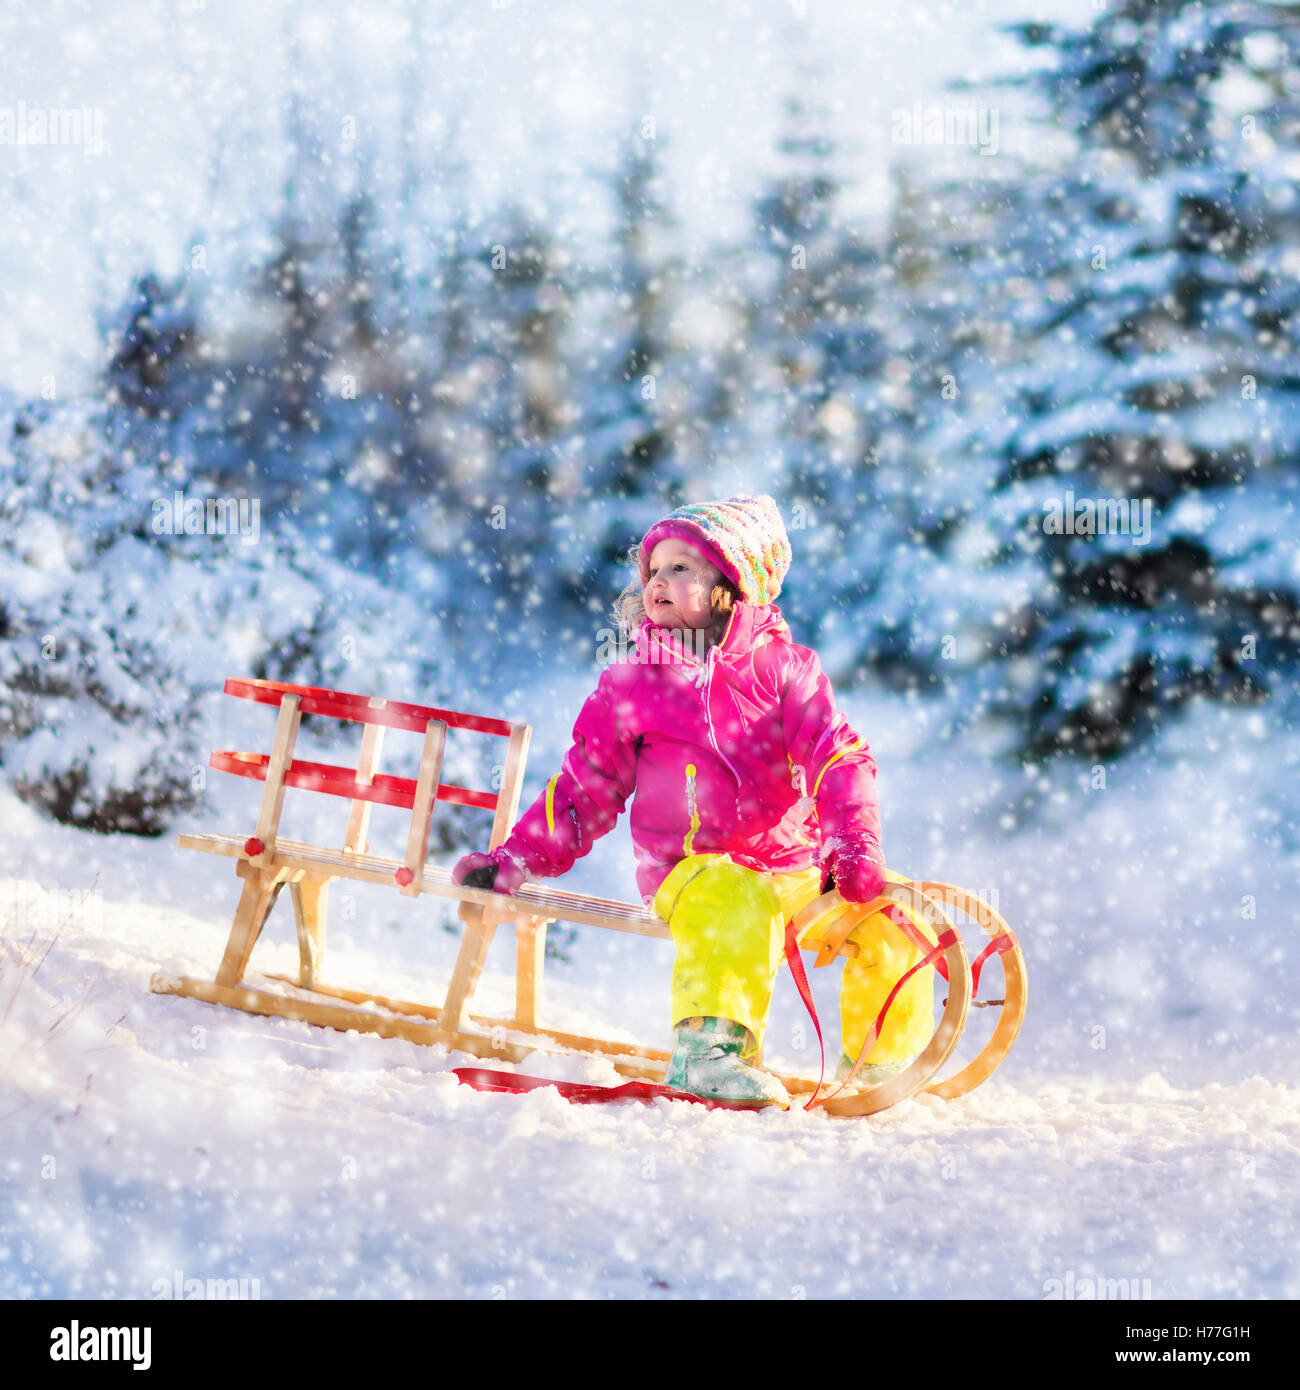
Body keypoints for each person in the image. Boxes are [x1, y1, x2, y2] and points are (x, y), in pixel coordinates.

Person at [452, 494, 937, 1107]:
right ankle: (709, 1055)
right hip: (693, 872)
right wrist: (517, 857)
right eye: (653, 570)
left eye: (681, 568)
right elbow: (585, 786)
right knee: (736, 898)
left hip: (795, 867)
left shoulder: (789, 672)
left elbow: (839, 757)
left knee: (896, 915)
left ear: (733, 585)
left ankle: (878, 1062)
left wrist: (853, 842)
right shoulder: (632, 684)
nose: (658, 582)